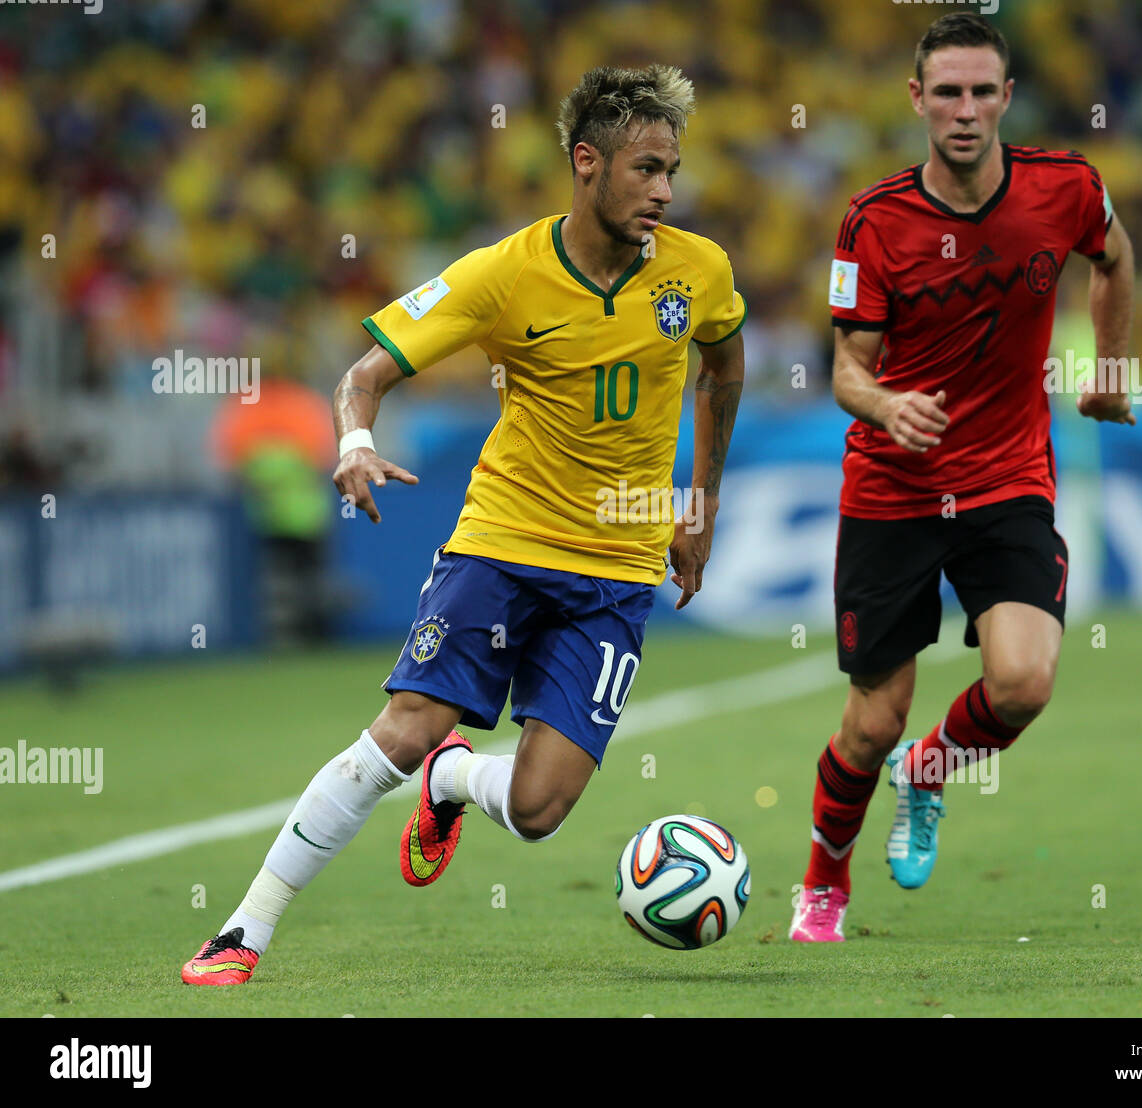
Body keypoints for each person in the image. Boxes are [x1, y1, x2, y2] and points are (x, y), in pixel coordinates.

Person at [182, 64, 746, 984]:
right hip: (504, 543)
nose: (665, 191)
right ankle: (244, 929)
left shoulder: (700, 269)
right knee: (406, 725)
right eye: (646, 169)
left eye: (672, 169)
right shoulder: (501, 275)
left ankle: (452, 781)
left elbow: (725, 371)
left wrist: (702, 504)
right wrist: (356, 442)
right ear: (586, 161)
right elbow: (362, 376)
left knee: (537, 809)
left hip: (616, 569)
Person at [790, 14, 1135, 942]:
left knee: (1022, 682)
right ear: (916, 99)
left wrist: (1108, 367)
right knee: (872, 722)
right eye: (948, 91)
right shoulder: (874, 220)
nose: (966, 109)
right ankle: (824, 882)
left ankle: (931, 774)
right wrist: (885, 405)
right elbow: (846, 370)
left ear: (1009, 96)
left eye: (983, 91)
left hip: (1007, 478)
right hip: (892, 492)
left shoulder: (1065, 188)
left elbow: (1113, 256)